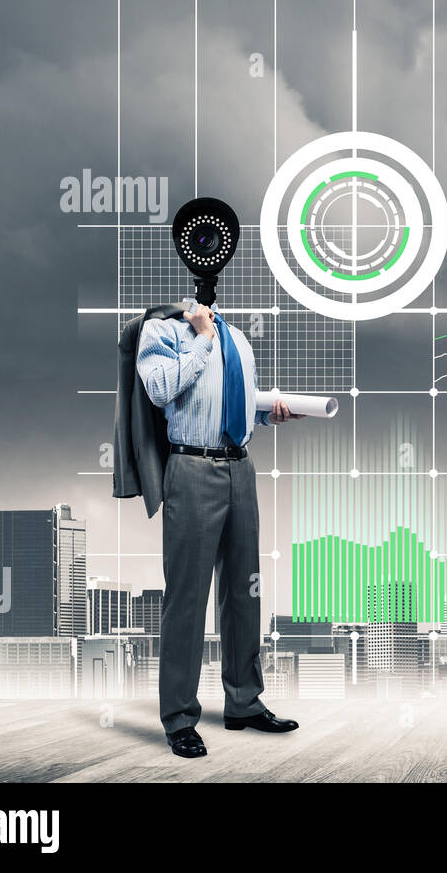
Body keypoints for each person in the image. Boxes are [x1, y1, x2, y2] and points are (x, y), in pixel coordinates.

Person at [136, 299, 304, 758]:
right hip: (191, 466)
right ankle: (179, 718)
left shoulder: (240, 340)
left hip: (241, 469)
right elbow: (160, 389)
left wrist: (270, 413)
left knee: (244, 593)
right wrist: (203, 337)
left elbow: (236, 405)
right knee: (188, 597)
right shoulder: (163, 331)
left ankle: (244, 702)